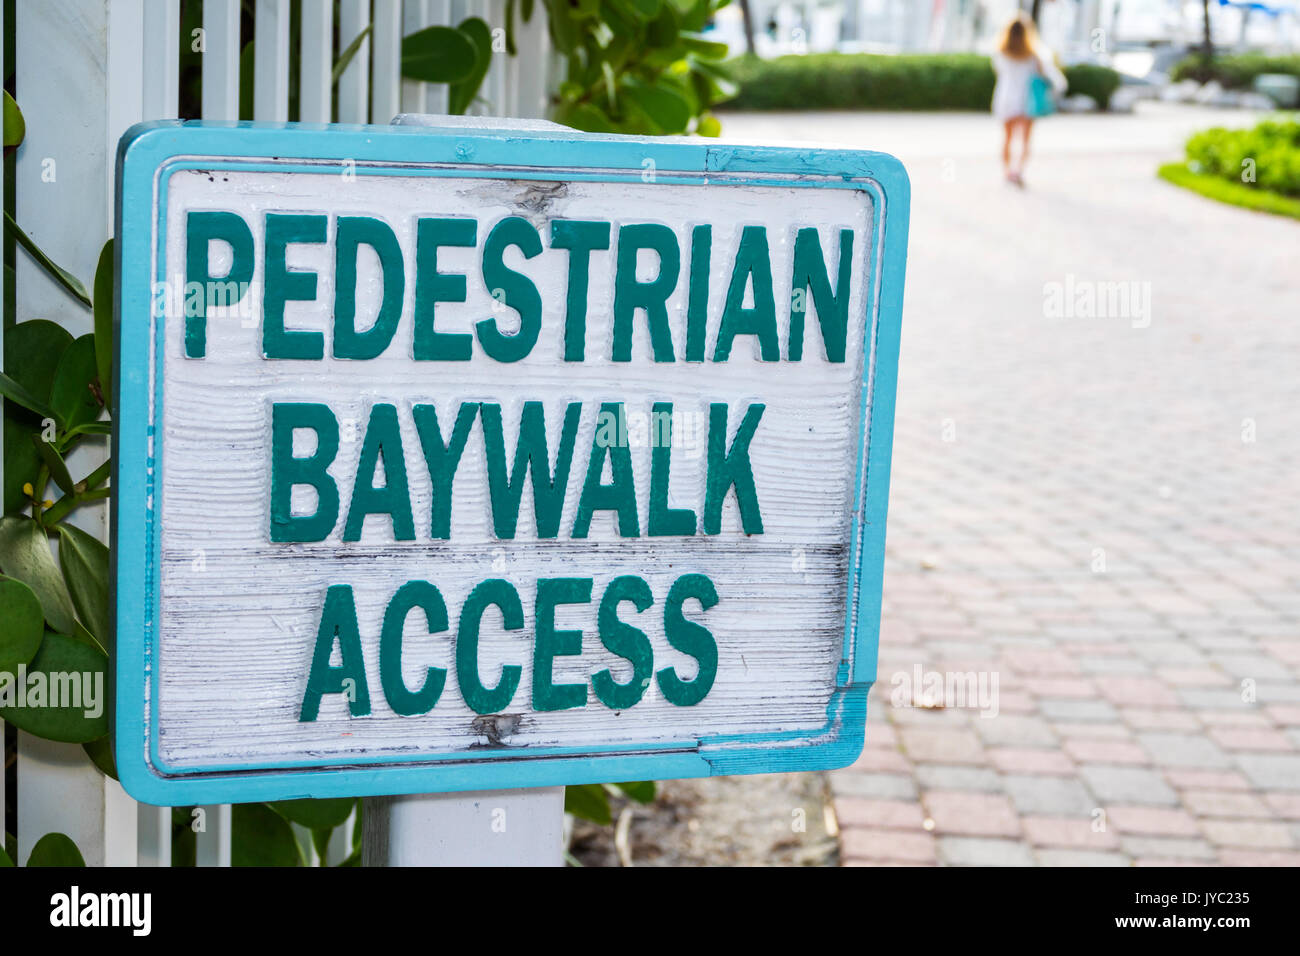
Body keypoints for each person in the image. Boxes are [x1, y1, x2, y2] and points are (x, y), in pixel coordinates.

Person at [991, 15, 1067, 186]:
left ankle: (1007, 171)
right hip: (1027, 101)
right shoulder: (1035, 56)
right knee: (1025, 140)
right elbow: (1058, 81)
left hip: (1006, 100)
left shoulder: (1000, 54)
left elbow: (999, 73)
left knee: (1007, 139)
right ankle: (1018, 171)